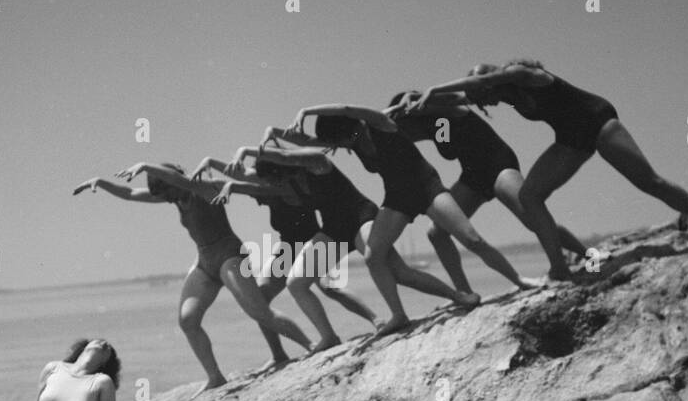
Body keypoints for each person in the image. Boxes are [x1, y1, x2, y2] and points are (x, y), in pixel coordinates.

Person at [415, 61, 688, 279]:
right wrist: (418, 102)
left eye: (483, 93)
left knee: (649, 182)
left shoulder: (524, 74)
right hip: (571, 140)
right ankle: (559, 268)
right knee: (530, 196)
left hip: (597, 122)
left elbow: (482, 81)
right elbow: (465, 94)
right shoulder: (502, 94)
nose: (486, 101)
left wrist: (435, 87)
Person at [283, 106, 542, 335]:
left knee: (471, 239)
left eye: (346, 137)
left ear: (354, 126)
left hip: (427, 187)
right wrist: (273, 134)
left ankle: (518, 279)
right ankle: (398, 314)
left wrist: (306, 111)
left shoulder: (382, 125)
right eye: (340, 141)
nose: (346, 144)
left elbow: (349, 109)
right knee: (374, 256)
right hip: (397, 198)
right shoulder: (351, 141)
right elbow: (304, 141)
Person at [75, 162, 312, 391]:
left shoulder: (202, 187)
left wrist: (146, 165)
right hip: (205, 262)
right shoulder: (174, 195)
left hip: (231, 256)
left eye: (167, 191)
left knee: (258, 310)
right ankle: (215, 377)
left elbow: (180, 179)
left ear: (172, 181)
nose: (167, 198)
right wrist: (101, 183)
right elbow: (129, 192)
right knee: (188, 320)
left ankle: (311, 347)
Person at [385, 89, 590, 294]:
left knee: (531, 218)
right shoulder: (436, 127)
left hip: (498, 164)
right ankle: (464, 293)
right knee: (437, 232)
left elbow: (434, 106)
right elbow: (437, 137)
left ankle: (589, 257)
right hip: (474, 176)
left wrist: (411, 103)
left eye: (404, 129)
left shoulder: (449, 110)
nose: (406, 136)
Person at [190, 153, 378, 359]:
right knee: (259, 298)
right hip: (287, 248)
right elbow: (243, 180)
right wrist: (211, 163)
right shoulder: (267, 191)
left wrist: (233, 185)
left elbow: (250, 184)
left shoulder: (286, 186)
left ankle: (375, 320)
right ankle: (278, 354)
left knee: (331, 288)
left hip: (313, 242)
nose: (258, 197)